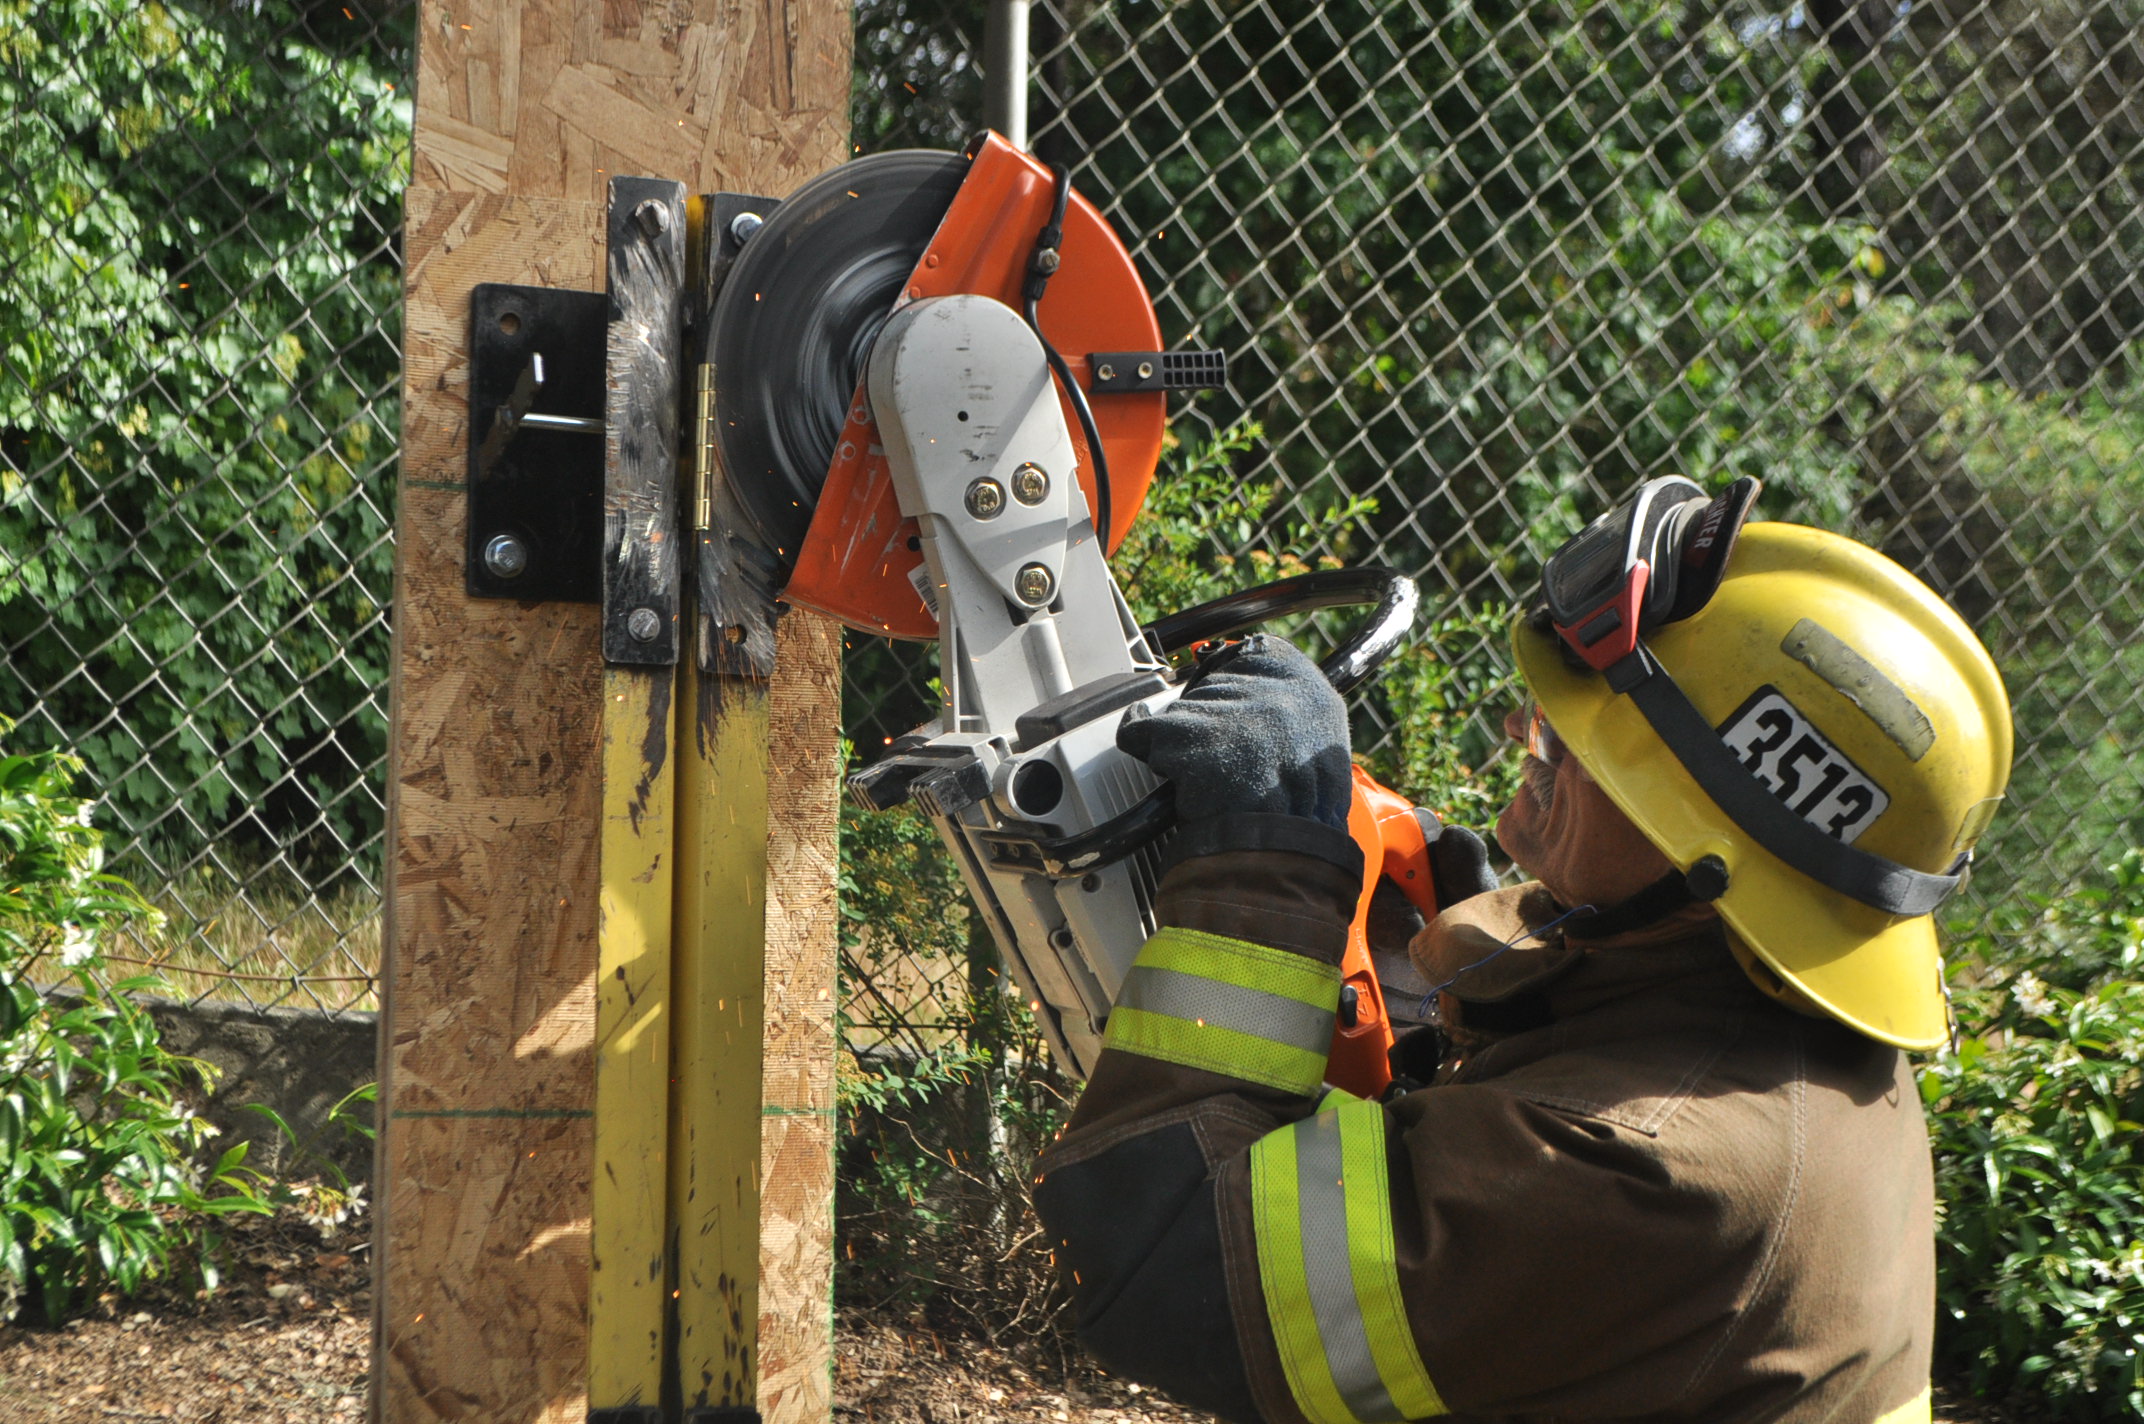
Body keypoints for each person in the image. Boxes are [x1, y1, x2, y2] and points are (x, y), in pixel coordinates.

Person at [1031, 476, 2013, 1424]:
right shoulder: (1780, 1023)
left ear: (1706, 854)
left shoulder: (1649, 1167)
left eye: (1566, 743)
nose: (1519, 729)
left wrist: (1261, 864)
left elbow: (1162, 1266)